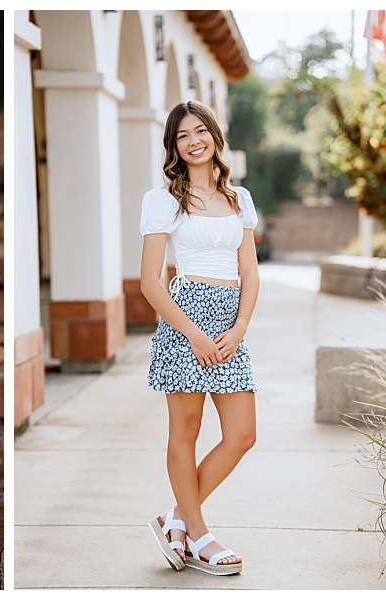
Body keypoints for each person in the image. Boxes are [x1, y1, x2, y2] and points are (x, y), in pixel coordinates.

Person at [141, 100, 259, 576]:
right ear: (174, 147)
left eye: (199, 131)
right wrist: (193, 335)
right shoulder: (164, 199)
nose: (193, 141)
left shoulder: (239, 199)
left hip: (230, 323)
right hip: (184, 318)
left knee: (242, 435)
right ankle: (201, 533)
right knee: (185, 433)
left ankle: (175, 519)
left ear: (214, 135)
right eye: (182, 136)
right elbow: (151, 281)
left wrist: (239, 328)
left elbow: (249, 273)